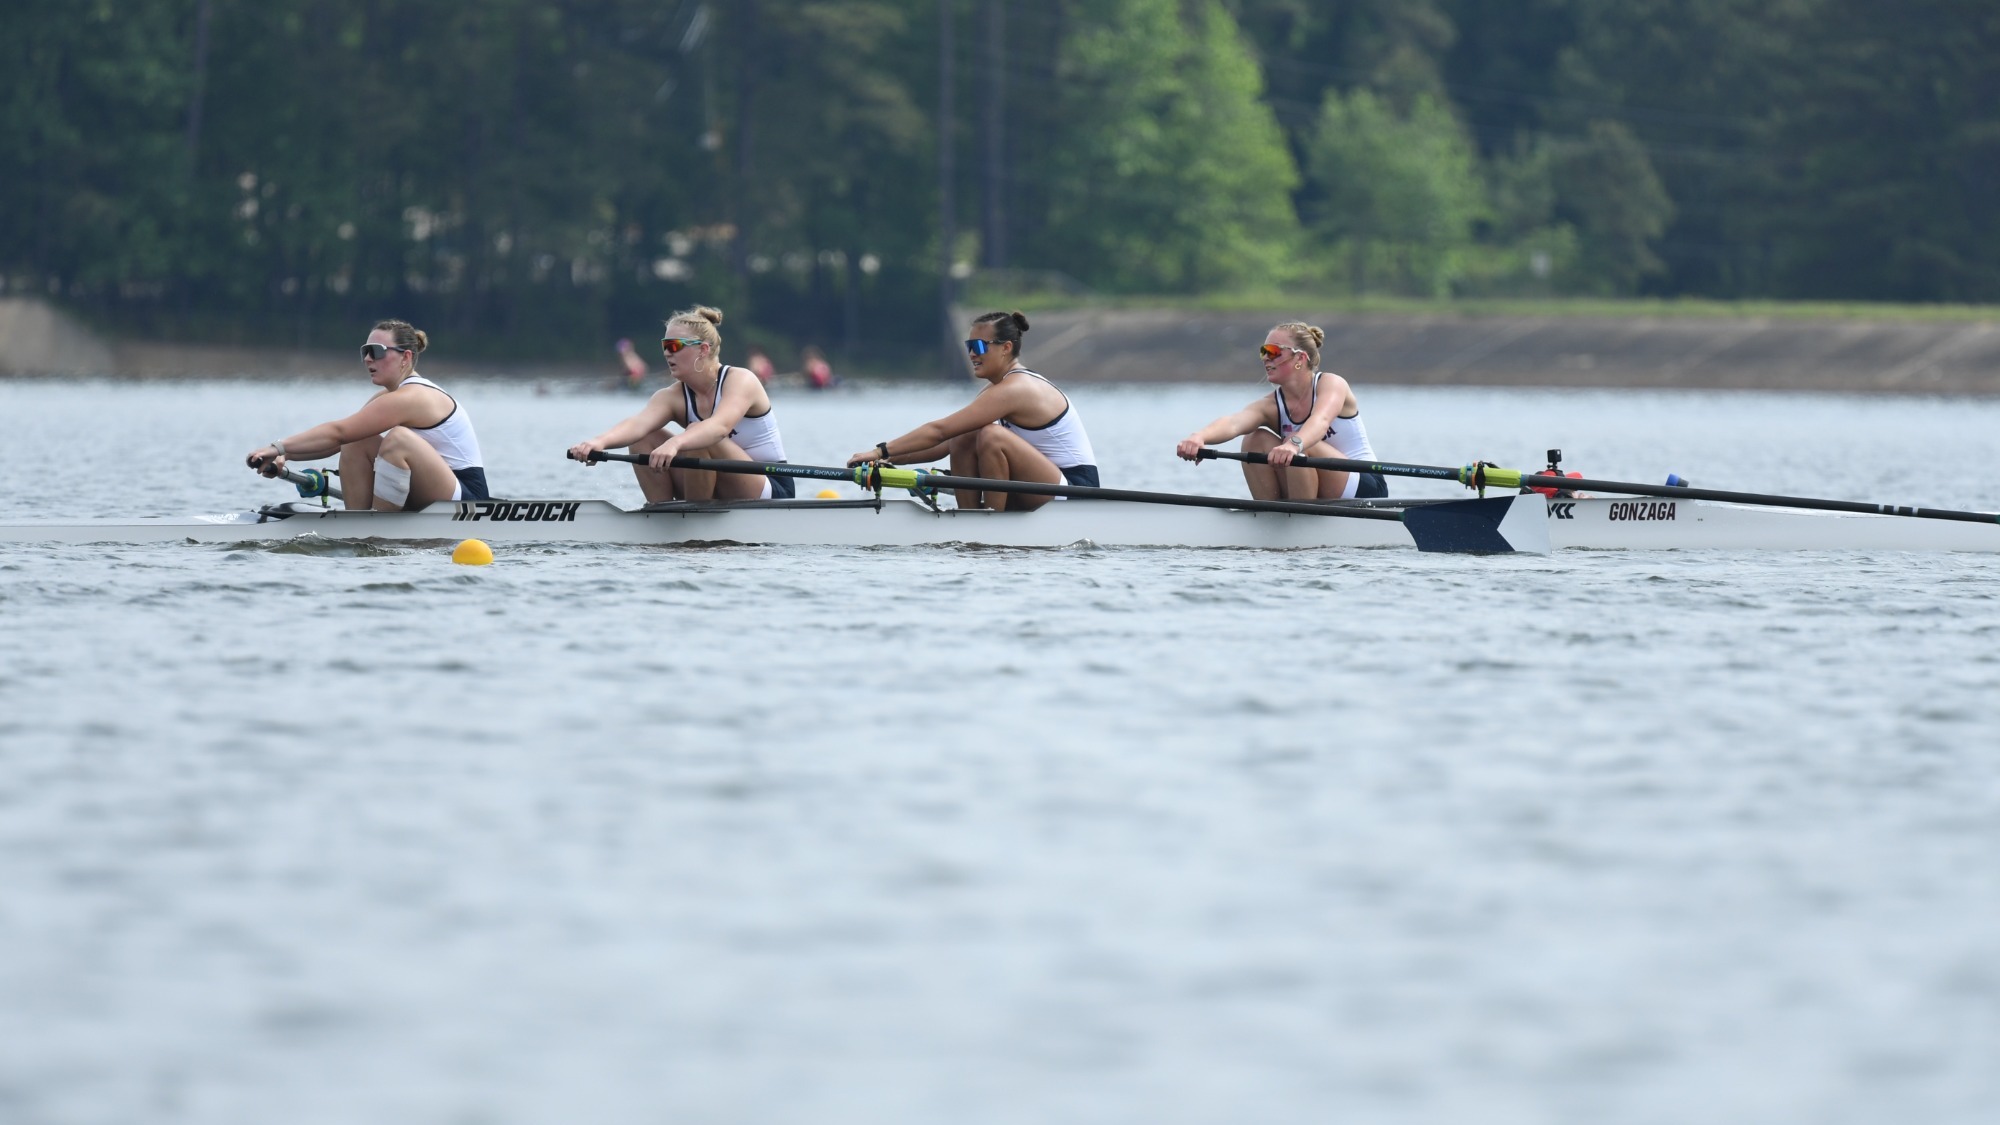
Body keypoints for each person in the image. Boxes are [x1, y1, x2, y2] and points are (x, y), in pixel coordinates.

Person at [846, 310, 1098, 511]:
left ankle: (989, 524)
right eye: (968, 345)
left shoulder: (1018, 388)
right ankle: (970, 519)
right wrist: (883, 460)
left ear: (1006, 348)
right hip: (1043, 485)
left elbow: (939, 430)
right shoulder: (996, 390)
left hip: (1076, 491)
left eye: (978, 346)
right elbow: (947, 441)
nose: (970, 354)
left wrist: (879, 448)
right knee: (966, 434)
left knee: (991, 435)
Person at [245, 319, 489, 510]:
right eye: (365, 351)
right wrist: (285, 457)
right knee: (355, 440)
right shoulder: (389, 397)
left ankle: (378, 529)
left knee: (398, 439)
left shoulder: (415, 396)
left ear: (406, 357)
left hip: (467, 500)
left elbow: (337, 432)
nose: (368, 359)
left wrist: (277, 447)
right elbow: (341, 439)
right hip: (429, 490)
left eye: (377, 351)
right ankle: (360, 525)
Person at [566, 305, 793, 501]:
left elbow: (718, 427)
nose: (667, 353)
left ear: (703, 349)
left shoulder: (741, 380)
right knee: (644, 438)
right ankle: (663, 517)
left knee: (698, 434)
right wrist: (598, 442)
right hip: (717, 482)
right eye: (664, 345)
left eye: (674, 346)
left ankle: (693, 526)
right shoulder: (671, 396)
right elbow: (637, 425)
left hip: (770, 487)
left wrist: (676, 443)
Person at [1174, 322, 1387, 500]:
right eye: (1263, 352)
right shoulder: (1271, 406)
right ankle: (1272, 521)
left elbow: (1321, 421)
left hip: (1365, 486)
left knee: (1299, 443)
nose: (1266, 358)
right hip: (1313, 482)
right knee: (1254, 439)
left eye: (1274, 352)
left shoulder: (1332, 384)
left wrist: (1294, 445)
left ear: (1300, 359)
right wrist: (1199, 437)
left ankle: (1300, 526)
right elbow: (1233, 423)